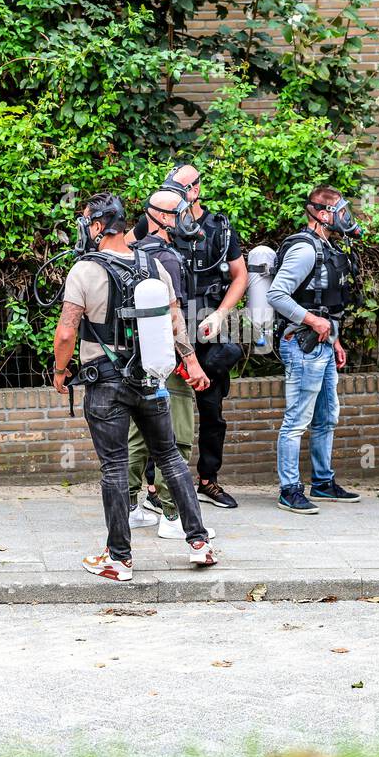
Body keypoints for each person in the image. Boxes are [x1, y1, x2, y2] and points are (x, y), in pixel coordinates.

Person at [53, 192, 216, 581]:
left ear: (96, 226)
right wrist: (188, 360)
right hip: (150, 379)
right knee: (170, 458)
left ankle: (120, 559)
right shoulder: (154, 266)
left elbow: (65, 332)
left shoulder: (85, 270)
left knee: (114, 466)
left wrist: (60, 371)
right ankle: (199, 542)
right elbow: (175, 323)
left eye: (86, 221)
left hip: (105, 384)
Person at [133, 164, 248, 509]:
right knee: (161, 409)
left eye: (180, 188)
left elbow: (240, 276)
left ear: (196, 190)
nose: (174, 195)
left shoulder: (220, 228)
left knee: (212, 411)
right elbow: (127, 253)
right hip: (168, 332)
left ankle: (207, 481)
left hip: (208, 328)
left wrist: (221, 312)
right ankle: (155, 489)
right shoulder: (159, 218)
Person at [268, 186, 361, 514]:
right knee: (296, 420)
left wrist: (333, 338)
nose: (346, 218)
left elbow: (327, 305)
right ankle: (289, 489)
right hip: (302, 346)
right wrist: (313, 322)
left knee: (326, 416)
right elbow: (277, 294)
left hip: (322, 346)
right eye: (340, 211)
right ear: (322, 215)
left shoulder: (327, 247)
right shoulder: (306, 250)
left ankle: (322, 481)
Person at [125, 188, 202, 538]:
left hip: (136, 363)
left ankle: (127, 507)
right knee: (179, 437)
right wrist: (192, 360)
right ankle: (173, 517)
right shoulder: (167, 259)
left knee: (138, 437)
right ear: (160, 218)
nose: (188, 218)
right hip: (167, 362)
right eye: (180, 213)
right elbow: (174, 321)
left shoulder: (132, 254)